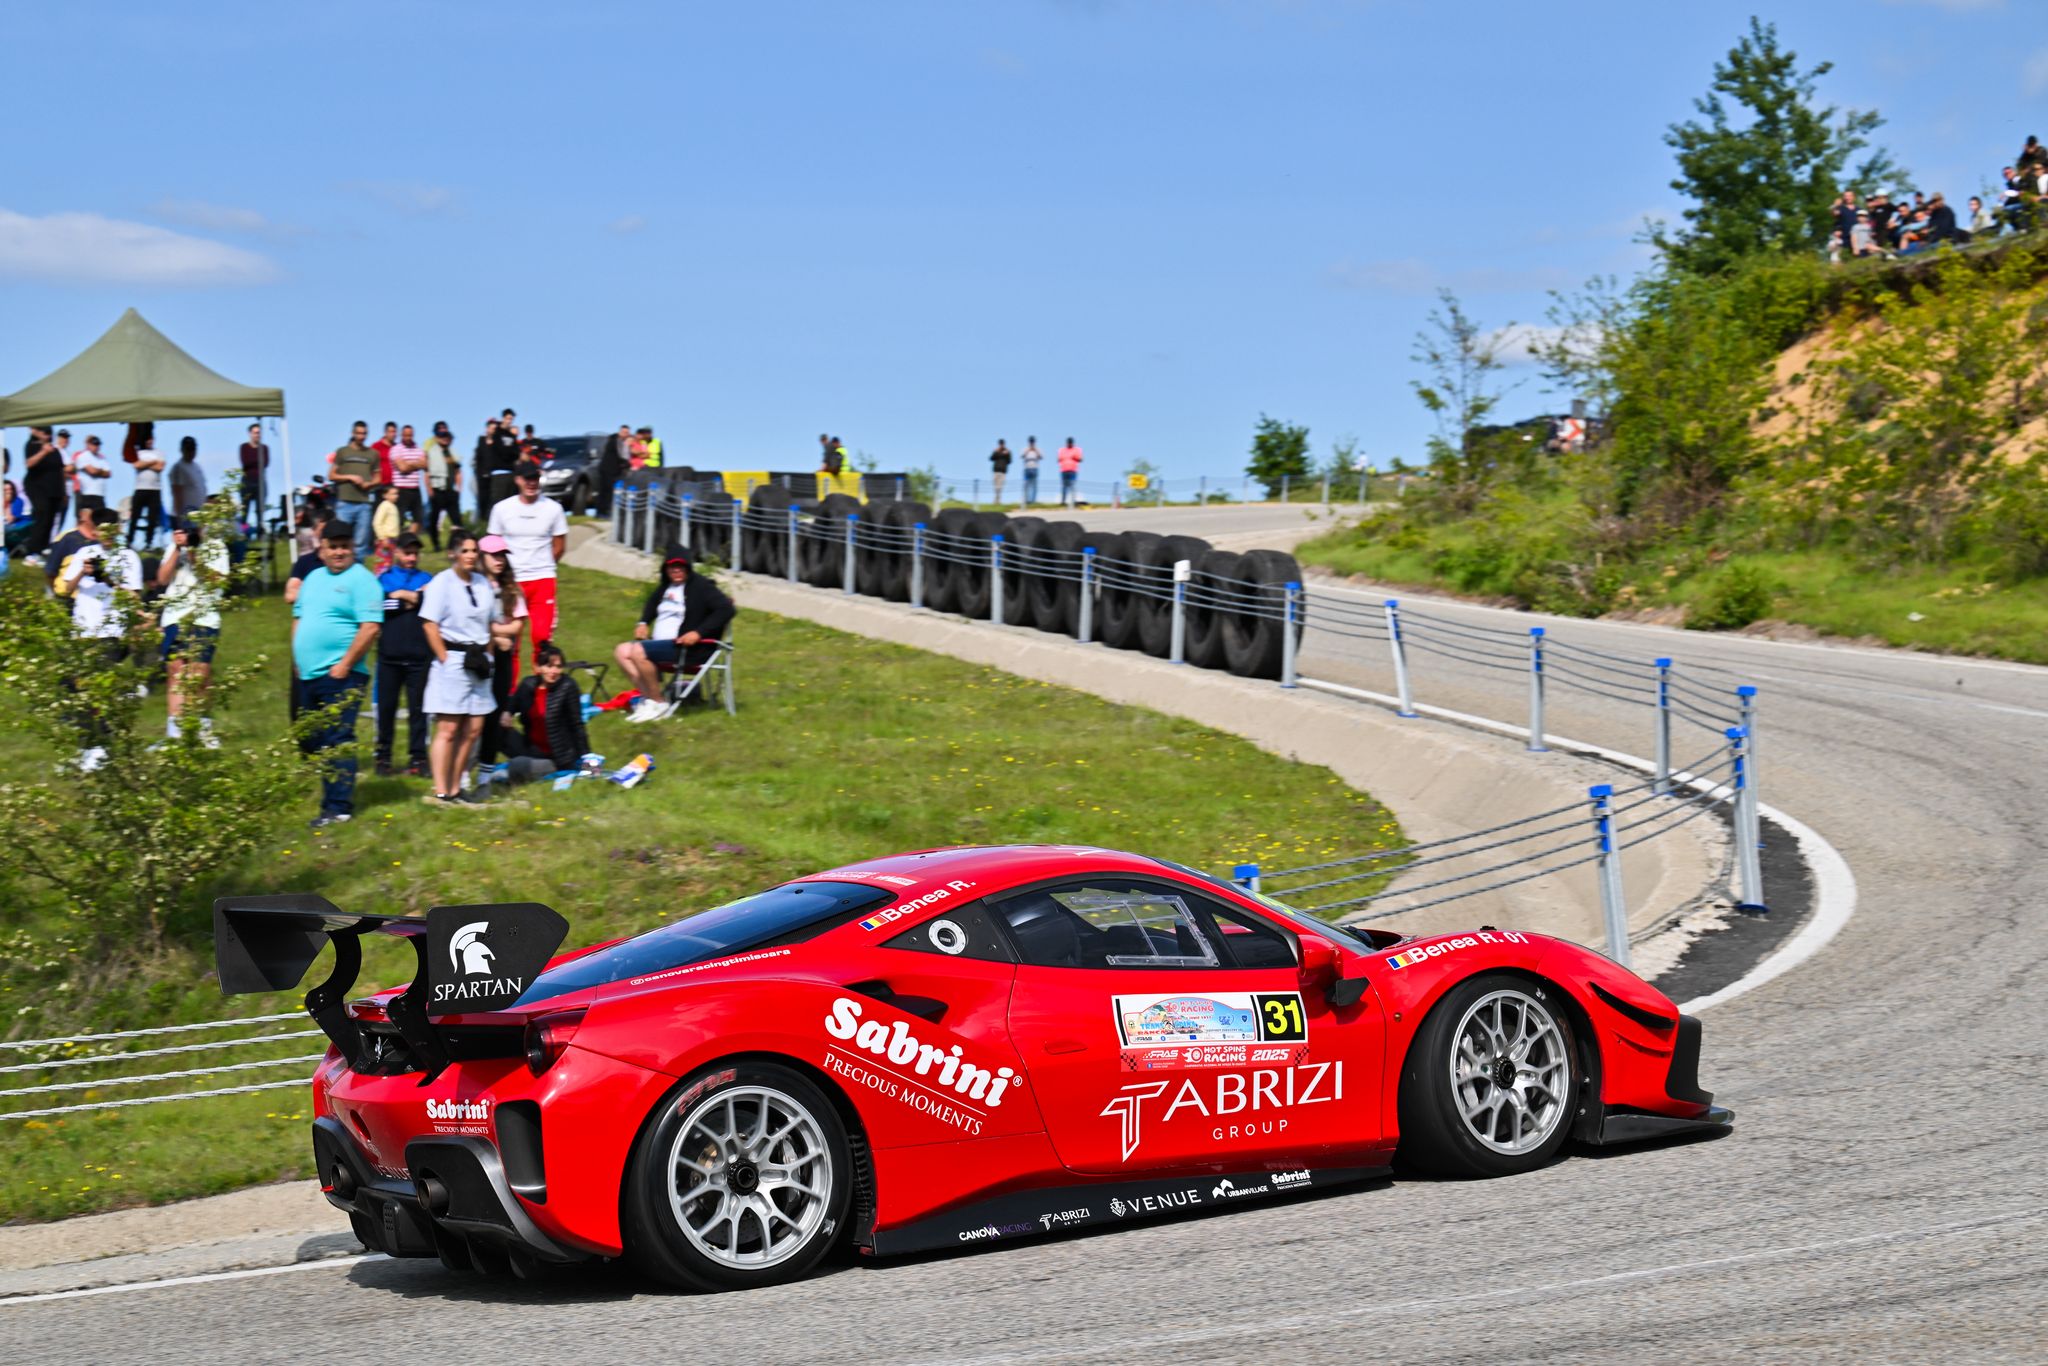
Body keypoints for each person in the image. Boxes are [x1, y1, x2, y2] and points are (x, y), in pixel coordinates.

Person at [292, 521, 383, 828]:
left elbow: (370, 627)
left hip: (343, 675)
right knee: (312, 740)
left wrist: (344, 665)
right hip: (308, 675)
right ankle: (330, 799)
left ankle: (338, 807)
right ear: (323, 548)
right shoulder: (313, 577)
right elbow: (298, 617)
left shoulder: (362, 580)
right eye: (333, 546)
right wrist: (296, 657)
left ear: (352, 548)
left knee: (337, 739)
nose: (340, 551)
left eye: (345, 545)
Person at [59, 517, 146, 772]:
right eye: (102, 530)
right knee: (79, 690)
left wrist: (107, 578)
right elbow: (65, 588)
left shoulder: (128, 556)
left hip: (110, 630)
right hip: (82, 630)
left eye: (111, 530)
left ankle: (103, 746)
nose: (106, 535)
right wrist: (82, 572)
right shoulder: (84, 552)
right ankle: (87, 747)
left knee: (100, 689)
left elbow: (134, 597)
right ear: (95, 530)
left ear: (118, 529)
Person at [419, 531, 499, 806]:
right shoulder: (442, 582)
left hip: (479, 659)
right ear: (453, 553)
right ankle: (441, 789)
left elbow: (489, 622)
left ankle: (456, 787)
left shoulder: (483, 584)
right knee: (449, 729)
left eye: (474, 551)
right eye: (465, 551)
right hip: (453, 657)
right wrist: (444, 657)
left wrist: (488, 655)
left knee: (474, 728)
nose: (471, 556)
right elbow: (429, 623)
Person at [614, 547, 735, 722]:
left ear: (688, 567)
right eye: (671, 567)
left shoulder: (701, 586)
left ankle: (659, 703)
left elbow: (726, 609)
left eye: (680, 566)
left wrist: (698, 633)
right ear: (666, 569)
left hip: (688, 649)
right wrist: (643, 623)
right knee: (621, 651)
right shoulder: (665, 587)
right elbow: (651, 603)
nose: (676, 570)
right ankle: (648, 700)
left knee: (637, 651)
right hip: (662, 646)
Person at [157, 515, 229, 747]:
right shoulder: (173, 548)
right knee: (176, 673)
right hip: (174, 617)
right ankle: (175, 733)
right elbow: (162, 579)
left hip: (203, 617)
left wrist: (194, 554)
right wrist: (178, 549)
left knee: (199, 675)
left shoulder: (216, 547)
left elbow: (215, 581)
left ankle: (203, 729)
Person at [486, 460, 568, 659]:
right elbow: (491, 546)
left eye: (535, 478)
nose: (531, 483)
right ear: (517, 480)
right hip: (511, 581)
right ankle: (509, 689)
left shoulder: (553, 508)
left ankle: (542, 689)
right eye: (527, 479)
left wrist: (544, 566)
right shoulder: (501, 509)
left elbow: (559, 545)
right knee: (510, 641)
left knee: (542, 639)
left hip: (543, 580)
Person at [374, 533, 435, 778]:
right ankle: (383, 756)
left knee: (419, 711)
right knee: (386, 710)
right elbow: (379, 606)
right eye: (407, 552)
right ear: (397, 552)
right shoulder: (384, 579)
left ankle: (418, 758)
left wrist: (402, 595)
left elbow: (432, 604)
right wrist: (414, 598)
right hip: (389, 657)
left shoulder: (427, 578)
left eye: (415, 553)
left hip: (420, 657)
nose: (411, 557)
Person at [471, 535, 529, 772]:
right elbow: (471, 624)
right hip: (477, 656)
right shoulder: (473, 586)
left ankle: (486, 769)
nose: (499, 560)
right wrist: (497, 635)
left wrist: (495, 632)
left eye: (502, 555)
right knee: (473, 717)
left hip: (502, 659)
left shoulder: (510, 589)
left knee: (495, 713)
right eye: (493, 555)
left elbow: (518, 625)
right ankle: (464, 768)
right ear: (481, 557)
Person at [500, 643, 590, 782]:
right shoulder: (528, 685)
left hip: (556, 758)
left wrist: (588, 762)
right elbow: (513, 702)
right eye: (549, 666)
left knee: (518, 765)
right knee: (491, 729)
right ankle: (464, 777)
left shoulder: (568, 686)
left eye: (558, 667)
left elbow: (577, 725)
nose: (554, 671)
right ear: (538, 667)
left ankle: (512, 775)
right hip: (530, 748)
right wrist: (507, 712)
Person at [20, 427, 68, 560]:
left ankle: (43, 549)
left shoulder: (56, 451)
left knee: (50, 519)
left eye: (49, 433)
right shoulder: (32, 446)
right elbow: (29, 463)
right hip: (37, 488)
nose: (47, 435)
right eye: (44, 432)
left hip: (55, 489)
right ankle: (32, 551)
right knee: (42, 514)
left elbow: (61, 471)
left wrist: (64, 492)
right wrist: (43, 452)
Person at [422, 422, 463, 550]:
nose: (444, 438)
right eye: (442, 436)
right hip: (437, 489)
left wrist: (458, 489)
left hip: (450, 490)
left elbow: (458, 471)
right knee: (434, 520)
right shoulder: (431, 451)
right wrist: (429, 489)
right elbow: (427, 472)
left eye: (447, 436)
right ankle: (436, 544)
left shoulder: (452, 452)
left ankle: (457, 544)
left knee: (456, 520)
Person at [127, 433, 167, 550]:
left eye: (151, 439)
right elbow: (136, 465)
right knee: (135, 516)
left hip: (155, 490)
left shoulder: (159, 452)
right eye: (147, 439)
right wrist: (152, 462)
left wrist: (145, 464)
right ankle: (129, 541)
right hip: (140, 489)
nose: (149, 441)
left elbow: (160, 467)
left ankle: (148, 543)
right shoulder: (138, 453)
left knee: (152, 518)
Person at [389, 424, 426, 531]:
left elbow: (424, 465)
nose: (407, 438)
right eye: (405, 435)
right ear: (401, 435)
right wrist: (416, 464)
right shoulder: (396, 449)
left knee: (418, 519)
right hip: (401, 489)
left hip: (415, 488)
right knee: (399, 519)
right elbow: (402, 468)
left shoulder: (419, 449)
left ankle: (410, 539)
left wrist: (409, 464)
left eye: (410, 435)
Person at [238, 423, 270, 527]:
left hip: (260, 481)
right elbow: (245, 462)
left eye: (259, 433)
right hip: (247, 481)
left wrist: (255, 462)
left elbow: (265, 463)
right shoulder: (244, 447)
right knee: (245, 510)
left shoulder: (264, 448)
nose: (257, 435)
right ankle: (243, 531)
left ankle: (260, 532)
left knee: (260, 510)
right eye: (255, 433)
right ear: (250, 433)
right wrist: (257, 461)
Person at [170, 435, 208, 518]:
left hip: (199, 515)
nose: (191, 452)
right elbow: (177, 493)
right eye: (188, 449)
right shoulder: (178, 468)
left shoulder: (197, 467)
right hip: (185, 516)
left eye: (193, 449)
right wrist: (179, 517)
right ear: (182, 450)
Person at [596, 424, 629, 516]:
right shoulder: (615, 441)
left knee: (608, 491)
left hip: (613, 470)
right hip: (608, 469)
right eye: (624, 432)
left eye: (627, 433)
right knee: (606, 491)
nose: (626, 434)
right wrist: (626, 463)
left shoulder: (620, 442)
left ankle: (603, 511)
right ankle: (603, 511)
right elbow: (620, 455)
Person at [74, 435, 112, 507]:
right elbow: (92, 471)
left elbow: (109, 473)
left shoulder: (102, 458)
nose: (96, 446)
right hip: (87, 494)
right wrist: (101, 471)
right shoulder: (83, 456)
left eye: (97, 444)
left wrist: (98, 471)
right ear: (89, 445)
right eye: (94, 444)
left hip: (100, 494)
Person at [1057, 437, 1083, 507]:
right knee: (1064, 486)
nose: (1070, 443)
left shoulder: (1077, 450)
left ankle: (1073, 501)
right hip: (1064, 470)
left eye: (1071, 442)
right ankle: (1063, 501)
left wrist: (1075, 456)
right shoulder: (1062, 450)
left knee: (1072, 486)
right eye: (1069, 442)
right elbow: (1058, 459)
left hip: (1073, 470)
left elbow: (1081, 459)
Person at [371, 421, 399, 488]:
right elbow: (371, 464)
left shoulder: (397, 447)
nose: (393, 434)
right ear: (385, 432)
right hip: (381, 485)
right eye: (390, 432)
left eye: (394, 432)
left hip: (395, 485)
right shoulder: (376, 446)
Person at [1020, 437, 1043, 506]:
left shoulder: (1037, 449)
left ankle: (1033, 501)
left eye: (1032, 442)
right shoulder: (1025, 449)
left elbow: (1041, 457)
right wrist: (1028, 450)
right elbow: (1022, 456)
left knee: (1034, 485)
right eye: (1031, 442)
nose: (1032, 443)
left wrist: (1035, 450)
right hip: (1027, 469)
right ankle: (1026, 500)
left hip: (1035, 469)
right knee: (1026, 485)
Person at [989, 439, 1012, 504]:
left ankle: (998, 501)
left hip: (1003, 471)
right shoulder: (996, 451)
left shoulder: (1007, 452)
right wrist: (995, 452)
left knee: (1000, 487)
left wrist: (1007, 454)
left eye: (1002, 443)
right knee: (995, 486)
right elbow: (991, 458)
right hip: (995, 471)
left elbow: (1009, 461)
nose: (1001, 445)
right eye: (1000, 443)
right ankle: (995, 500)